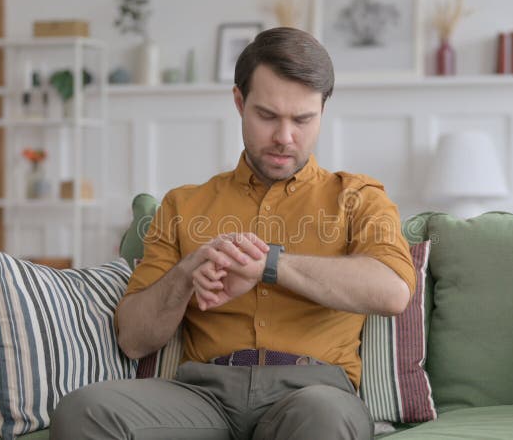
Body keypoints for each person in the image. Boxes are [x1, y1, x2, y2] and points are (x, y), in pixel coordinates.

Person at [51, 27, 416, 440]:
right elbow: (134, 340)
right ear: (239, 103)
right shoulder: (182, 206)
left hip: (313, 394)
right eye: (267, 116)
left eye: (302, 119)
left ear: (323, 112)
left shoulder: (359, 197)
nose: (284, 136)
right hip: (203, 396)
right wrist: (188, 272)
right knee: (85, 410)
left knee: (323, 418)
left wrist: (268, 265)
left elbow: (393, 292)